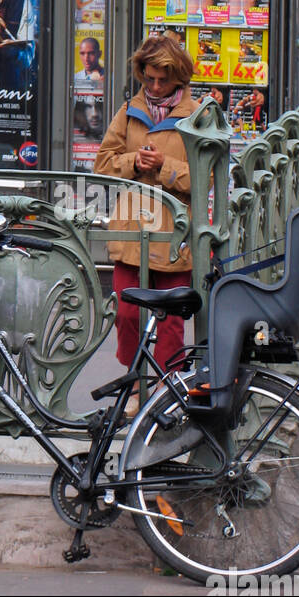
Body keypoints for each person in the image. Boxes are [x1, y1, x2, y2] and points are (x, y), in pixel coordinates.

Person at [94, 34, 196, 418]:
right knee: (127, 311)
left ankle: (166, 391)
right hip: (132, 231)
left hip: (173, 234)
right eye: (149, 78)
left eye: (163, 80)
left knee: (169, 322)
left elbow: (207, 179)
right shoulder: (129, 111)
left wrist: (164, 168)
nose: (154, 87)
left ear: (178, 78)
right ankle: (136, 382)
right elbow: (103, 163)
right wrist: (135, 162)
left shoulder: (197, 116)